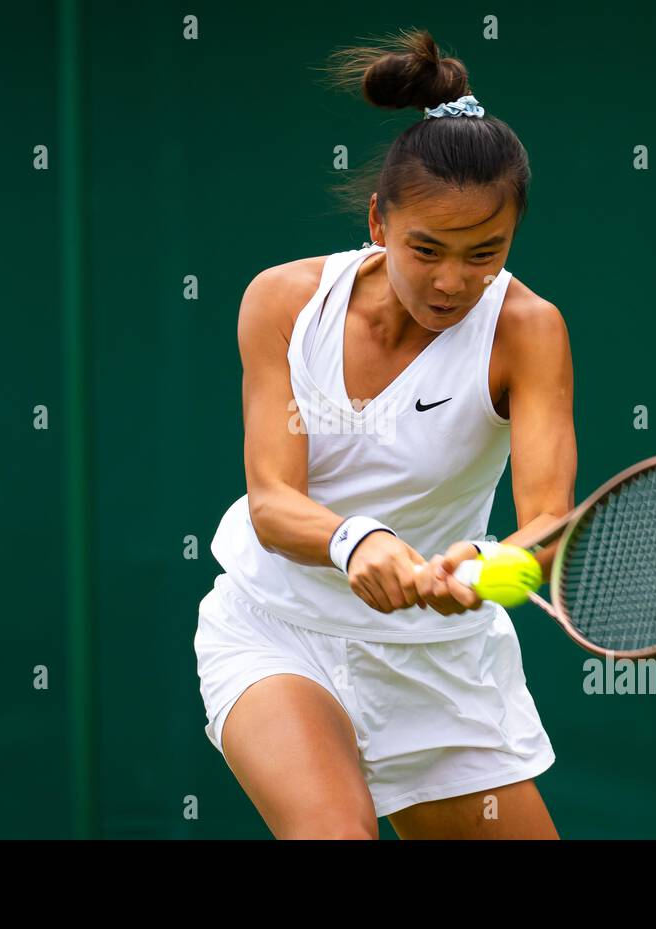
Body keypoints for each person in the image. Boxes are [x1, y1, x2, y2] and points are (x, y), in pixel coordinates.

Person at [194, 28, 576, 839]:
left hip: (435, 669)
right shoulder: (283, 301)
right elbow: (272, 501)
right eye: (427, 248)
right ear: (378, 220)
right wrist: (358, 542)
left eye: (485, 252)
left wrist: (485, 562)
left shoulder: (529, 331)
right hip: (279, 625)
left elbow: (546, 527)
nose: (452, 280)